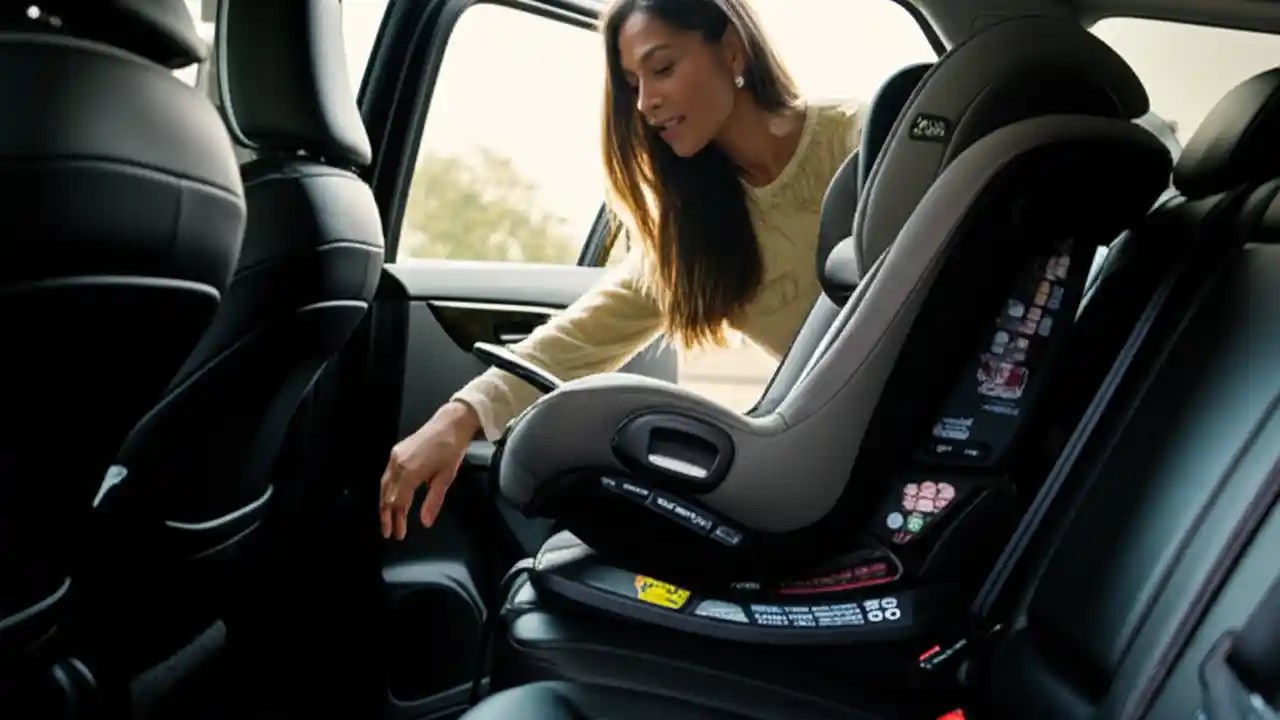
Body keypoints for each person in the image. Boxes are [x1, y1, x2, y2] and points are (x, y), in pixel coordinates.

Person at [379, 0, 865, 541]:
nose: (645, 102)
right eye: (633, 83)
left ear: (731, 50)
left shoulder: (860, 141)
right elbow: (576, 340)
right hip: (827, 459)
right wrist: (459, 416)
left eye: (662, 68)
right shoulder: (695, 237)